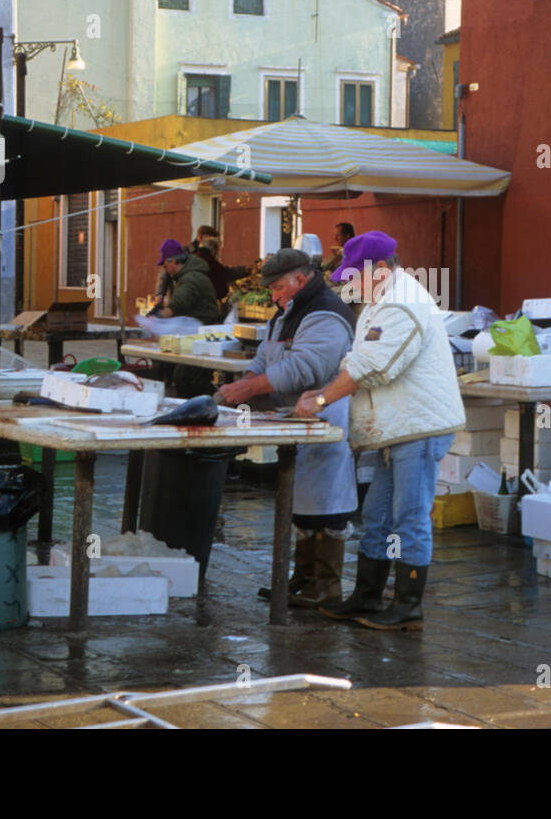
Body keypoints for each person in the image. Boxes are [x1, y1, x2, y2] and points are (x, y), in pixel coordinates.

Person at [295, 230, 465, 631]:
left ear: (382, 270)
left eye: (356, 274)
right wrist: (323, 391)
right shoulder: (381, 299)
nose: (349, 282)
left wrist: (320, 400)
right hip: (397, 427)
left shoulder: (403, 304)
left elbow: (370, 367)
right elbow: (362, 359)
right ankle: (369, 596)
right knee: (376, 514)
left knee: (409, 516)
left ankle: (408, 606)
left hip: (418, 427)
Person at [214, 249, 357, 608]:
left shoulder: (326, 313)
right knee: (302, 498)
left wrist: (247, 389)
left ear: (300, 279)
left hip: (327, 416)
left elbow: (304, 368)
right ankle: (303, 578)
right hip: (298, 416)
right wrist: (247, 378)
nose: (274, 296)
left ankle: (326, 587)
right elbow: (267, 354)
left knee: (327, 501)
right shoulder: (287, 311)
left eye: (278, 287)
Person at [153, 239, 221, 325]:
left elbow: (178, 304)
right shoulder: (187, 275)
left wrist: (155, 318)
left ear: (173, 262)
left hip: (203, 330)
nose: (165, 269)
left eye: (165, 266)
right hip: (200, 326)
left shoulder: (190, 278)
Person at [188, 226, 253, 303]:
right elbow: (223, 274)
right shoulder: (200, 257)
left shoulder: (201, 256)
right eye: (211, 238)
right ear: (202, 237)